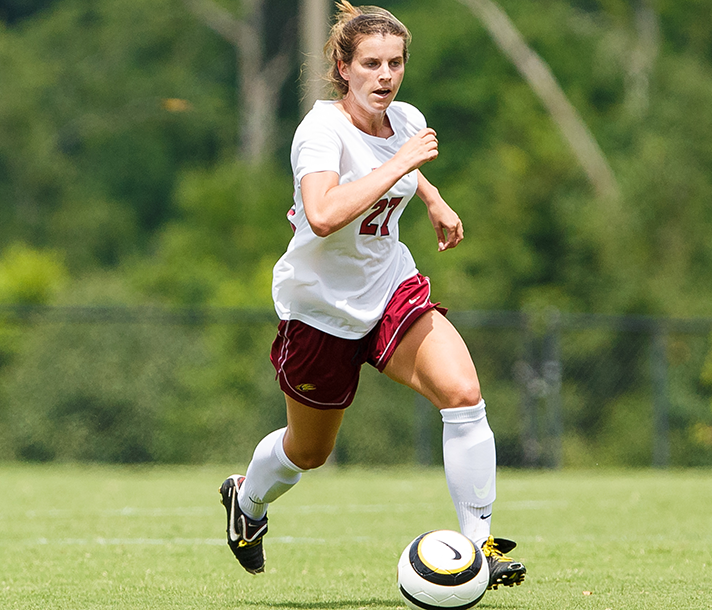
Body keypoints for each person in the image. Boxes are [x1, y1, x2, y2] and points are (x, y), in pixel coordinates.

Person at [217, 1, 526, 590]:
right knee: (308, 454)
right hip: (321, 310)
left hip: (390, 288)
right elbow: (324, 213)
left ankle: (478, 543)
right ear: (343, 65)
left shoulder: (406, 119)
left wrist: (432, 197)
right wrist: (406, 164)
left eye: (395, 63)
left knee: (463, 393)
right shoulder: (320, 130)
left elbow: (401, 160)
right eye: (371, 64)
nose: (385, 76)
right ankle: (247, 500)